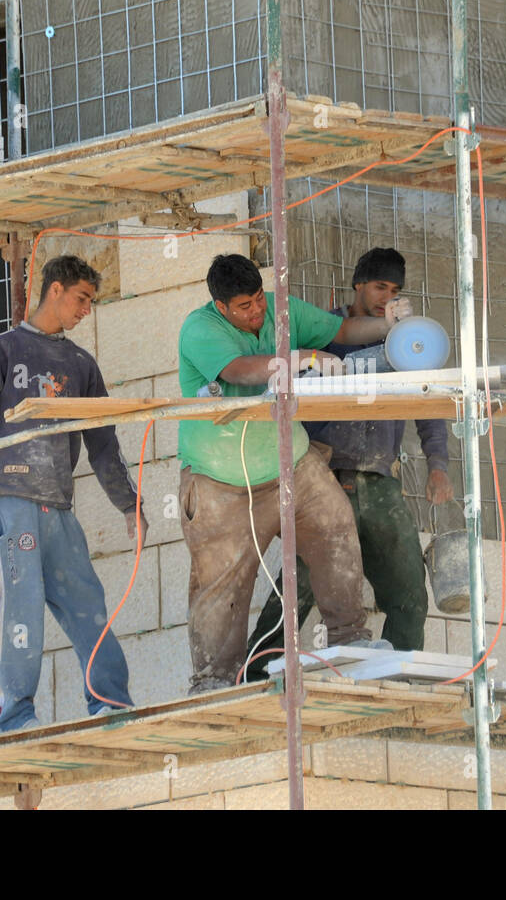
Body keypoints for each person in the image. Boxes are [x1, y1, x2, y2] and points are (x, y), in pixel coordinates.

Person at [177, 252, 414, 693]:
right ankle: (212, 682)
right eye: (244, 307)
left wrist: (390, 326)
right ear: (221, 306)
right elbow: (238, 370)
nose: (256, 311)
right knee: (222, 584)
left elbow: (341, 330)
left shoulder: (278, 308)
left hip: (292, 464)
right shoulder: (200, 328)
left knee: (336, 527)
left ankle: (350, 642)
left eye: (257, 301)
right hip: (221, 482)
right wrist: (298, 357)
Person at [0, 254, 146, 732]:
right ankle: (14, 716)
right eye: (82, 298)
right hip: (9, 503)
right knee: (18, 609)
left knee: (88, 603)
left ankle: (109, 701)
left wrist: (131, 505)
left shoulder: (81, 364)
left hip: (57, 508)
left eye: (92, 302)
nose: (86, 310)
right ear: (55, 290)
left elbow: (104, 444)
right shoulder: (0, 348)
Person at [245, 248, 452, 680]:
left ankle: (395, 682)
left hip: (379, 483)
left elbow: (431, 401)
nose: (386, 298)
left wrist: (438, 465)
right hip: (323, 480)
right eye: (379, 287)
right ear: (358, 284)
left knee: (410, 593)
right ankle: (254, 676)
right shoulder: (324, 330)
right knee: (297, 590)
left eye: (395, 291)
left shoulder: (408, 341)